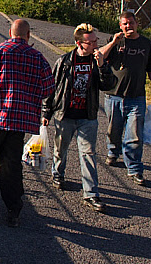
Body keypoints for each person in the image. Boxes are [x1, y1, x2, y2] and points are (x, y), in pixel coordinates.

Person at [0, 19, 55, 227]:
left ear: (10, 32)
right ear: (28, 35)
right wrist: (30, 96)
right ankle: (13, 208)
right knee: (11, 165)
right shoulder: (38, 58)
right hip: (20, 121)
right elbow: (49, 88)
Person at [42, 23, 116, 212]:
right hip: (65, 114)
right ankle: (58, 174)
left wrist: (102, 66)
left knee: (88, 154)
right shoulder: (64, 61)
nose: (95, 45)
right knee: (61, 150)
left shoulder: (97, 62)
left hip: (87, 116)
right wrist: (46, 112)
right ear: (79, 43)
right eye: (91, 42)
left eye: (96, 41)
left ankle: (91, 193)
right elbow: (52, 88)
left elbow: (108, 85)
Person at [99, 11, 151, 186]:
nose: (128, 27)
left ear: (136, 23)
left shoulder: (146, 44)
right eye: (125, 24)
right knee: (114, 130)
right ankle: (113, 152)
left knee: (134, 135)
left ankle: (134, 169)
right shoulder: (116, 42)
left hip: (136, 97)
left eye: (131, 23)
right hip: (114, 95)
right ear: (120, 26)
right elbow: (100, 57)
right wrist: (113, 42)